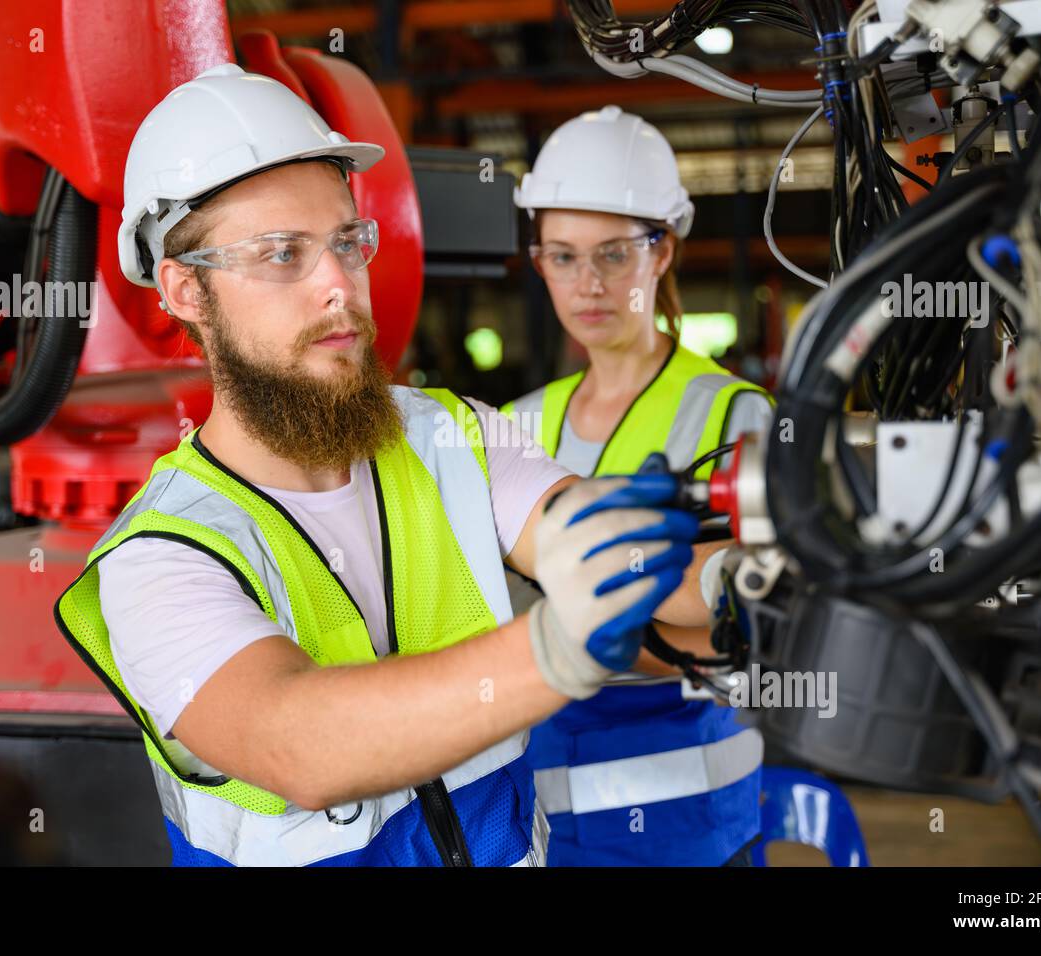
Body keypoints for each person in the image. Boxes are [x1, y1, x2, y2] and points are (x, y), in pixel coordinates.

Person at [54, 66, 725, 867]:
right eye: (280, 254)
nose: (339, 282)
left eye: (347, 241)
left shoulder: (453, 438)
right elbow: (299, 745)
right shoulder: (163, 555)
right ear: (186, 291)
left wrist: (762, 571)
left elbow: (638, 565)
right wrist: (560, 644)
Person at [502, 105, 773, 867]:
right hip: (542, 817)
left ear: (663, 251)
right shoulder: (517, 428)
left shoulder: (731, 415)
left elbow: (749, 634)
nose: (587, 283)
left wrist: (556, 634)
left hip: (689, 819)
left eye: (613, 254)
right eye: (562, 255)